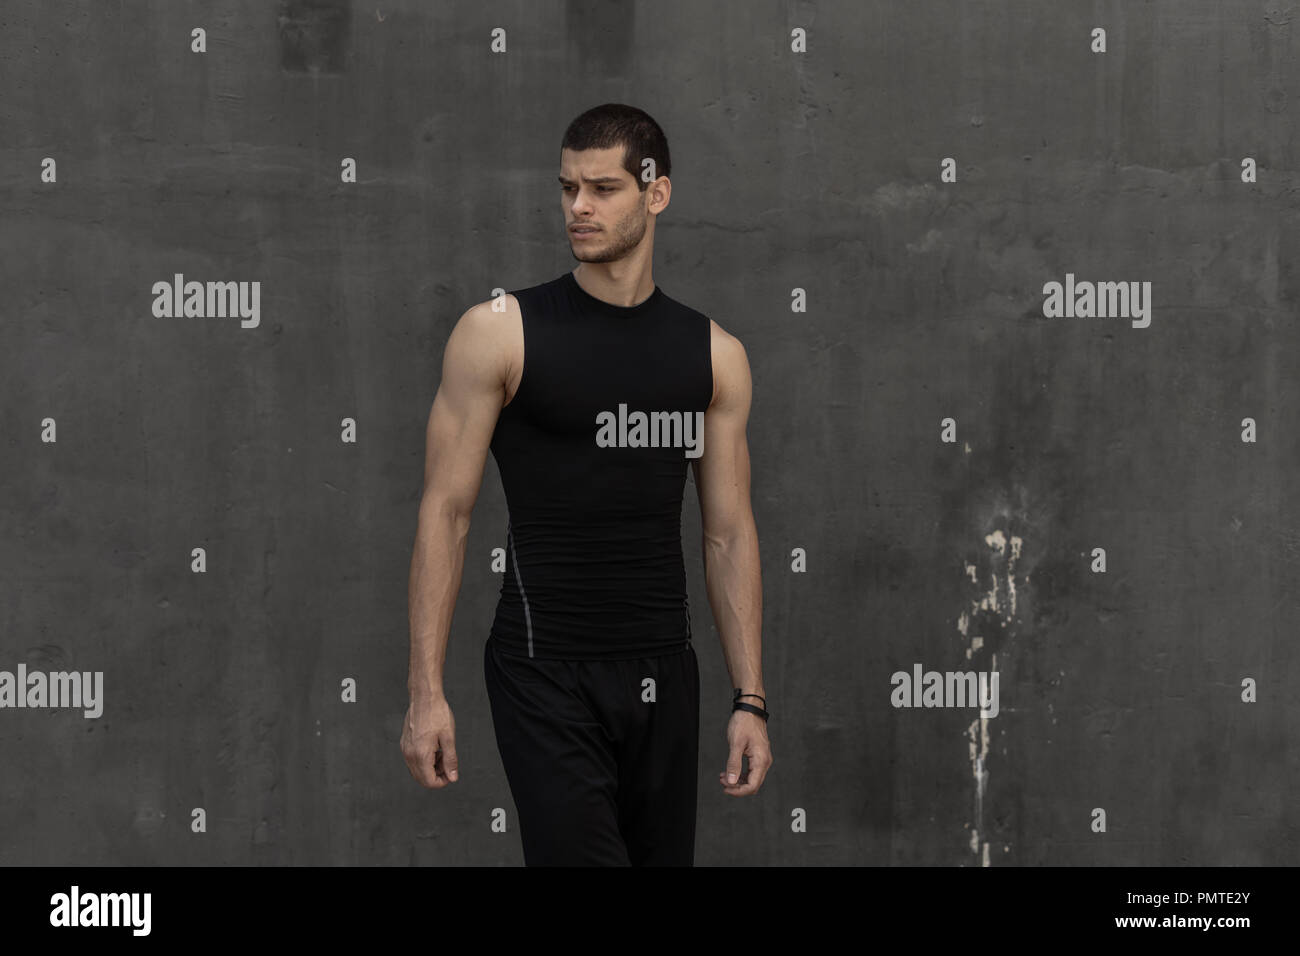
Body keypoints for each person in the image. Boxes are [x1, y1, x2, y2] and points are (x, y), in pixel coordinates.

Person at [400, 103, 770, 865]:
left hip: (665, 672)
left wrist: (750, 699)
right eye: (568, 187)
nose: (578, 207)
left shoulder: (714, 355)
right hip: (543, 670)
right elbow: (446, 510)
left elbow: (728, 534)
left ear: (656, 193)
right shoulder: (500, 332)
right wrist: (424, 692)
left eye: (603, 188)